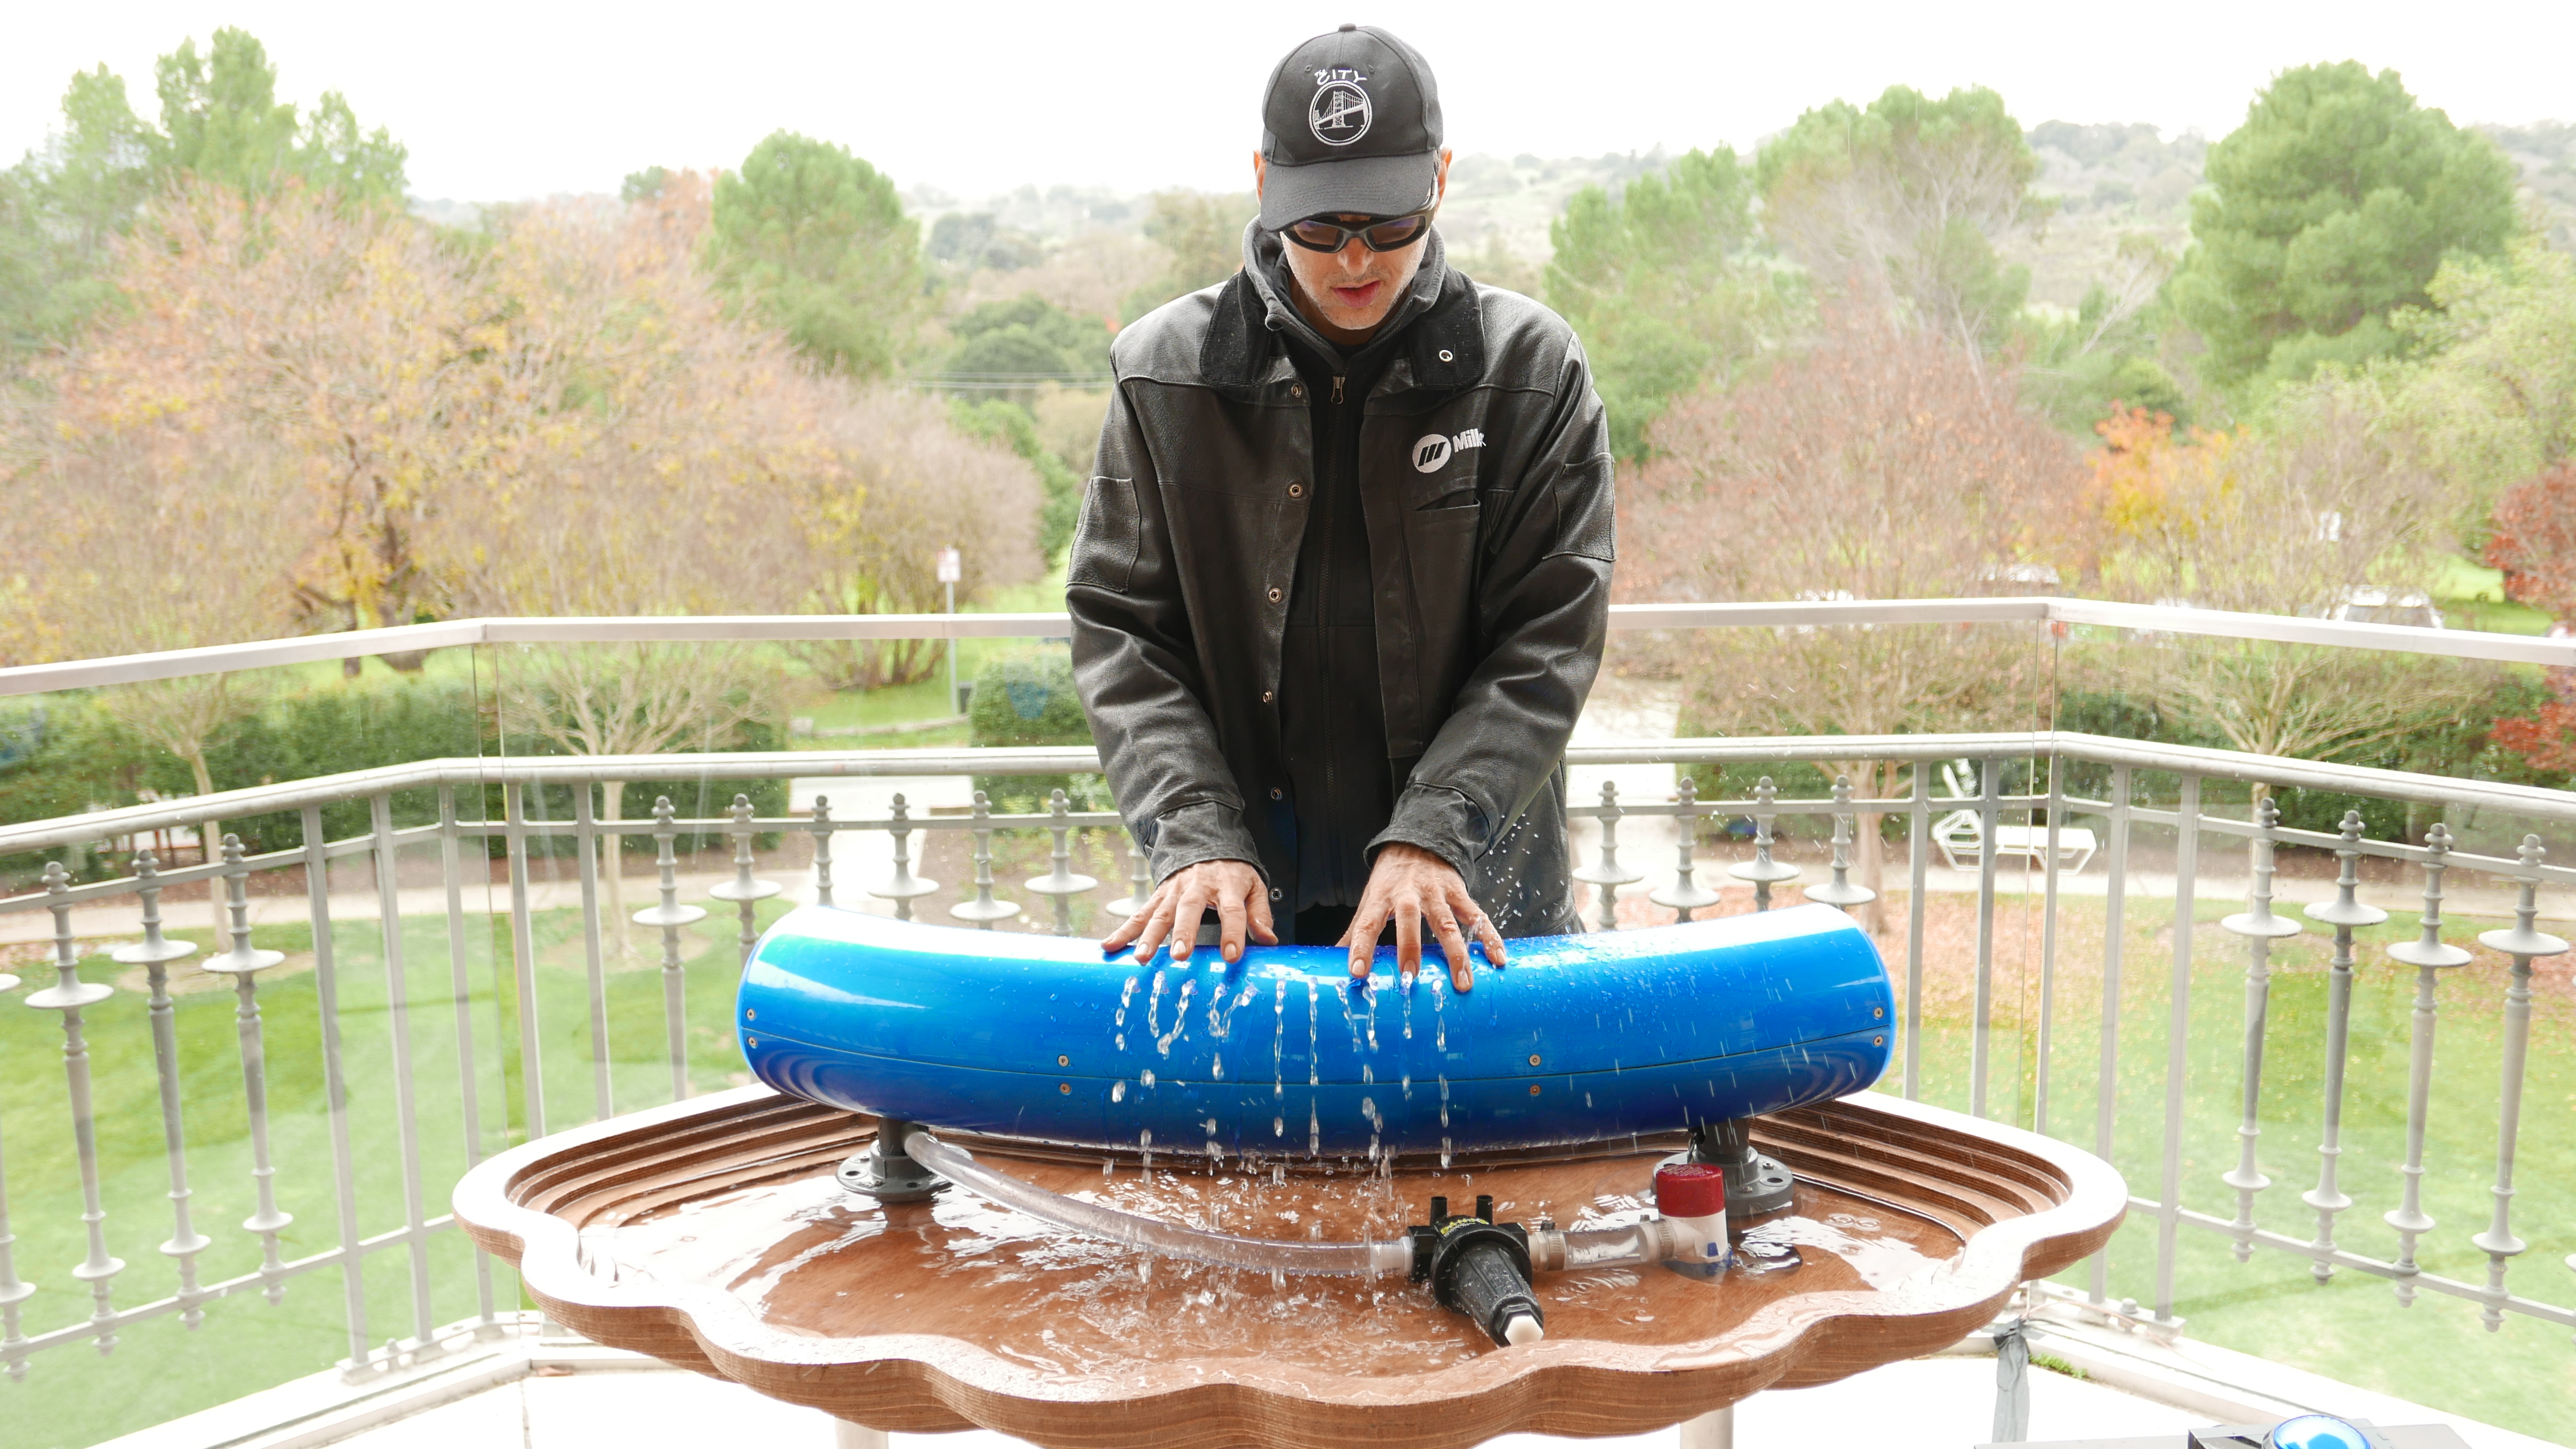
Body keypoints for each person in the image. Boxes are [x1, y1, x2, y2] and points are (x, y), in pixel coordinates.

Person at [1068, 24, 1613, 992]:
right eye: (1320, 225)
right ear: (1263, 181)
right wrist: (1195, 837)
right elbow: (1123, 631)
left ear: (1440, 179)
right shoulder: (1161, 374)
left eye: (1388, 222)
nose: (1354, 259)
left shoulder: (1532, 372)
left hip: (1475, 919)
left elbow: (1549, 640)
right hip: (1237, 923)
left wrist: (1433, 838)